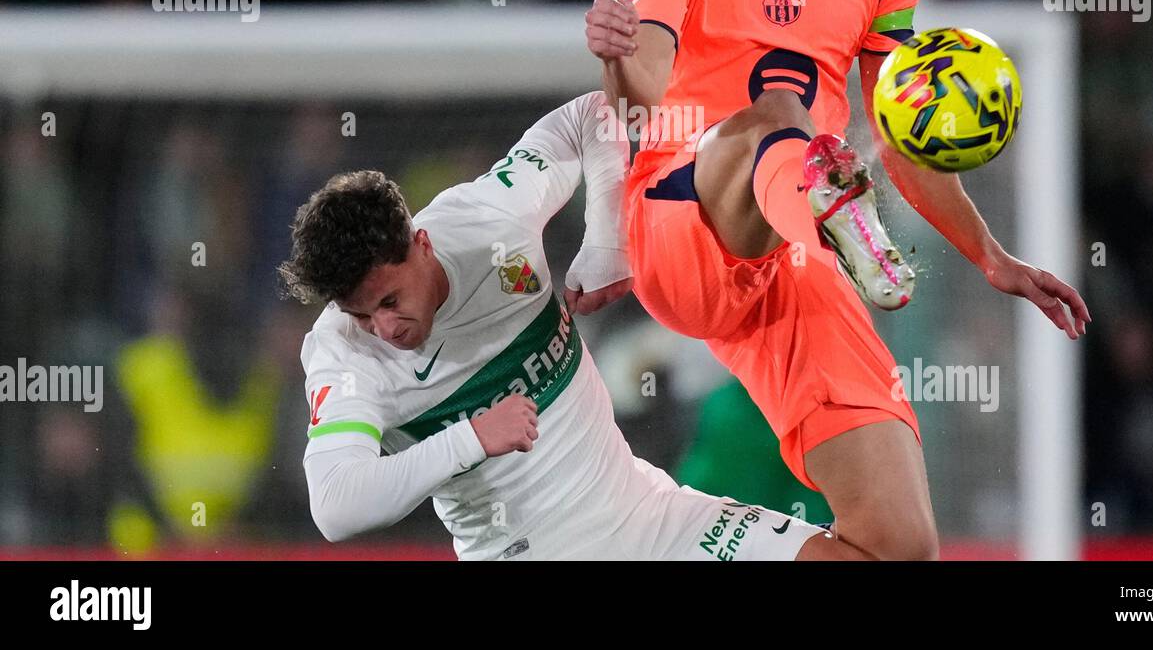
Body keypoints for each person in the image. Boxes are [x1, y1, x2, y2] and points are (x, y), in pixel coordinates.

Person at [585, 0, 1091, 560]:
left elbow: (901, 136)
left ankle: (688, 548)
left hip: (799, 260)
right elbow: (647, 85)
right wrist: (616, 55)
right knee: (779, 113)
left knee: (899, 545)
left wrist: (990, 256)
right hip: (684, 221)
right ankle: (825, 198)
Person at [278, 92, 862, 559]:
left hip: (651, 515)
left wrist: (607, 240)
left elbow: (589, 113)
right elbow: (335, 506)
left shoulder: (486, 218)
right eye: (361, 313)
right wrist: (469, 438)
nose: (383, 328)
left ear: (422, 245)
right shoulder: (342, 353)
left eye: (388, 300)